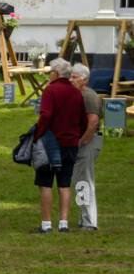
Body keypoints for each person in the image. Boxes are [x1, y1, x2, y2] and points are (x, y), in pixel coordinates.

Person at [32, 58, 88, 234]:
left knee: (46, 183)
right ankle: (63, 223)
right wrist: (76, 135)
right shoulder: (76, 93)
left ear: (55, 73)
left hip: (50, 144)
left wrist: (37, 134)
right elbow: (84, 121)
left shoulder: (51, 90)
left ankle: (46, 224)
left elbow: (46, 115)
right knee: (64, 184)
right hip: (70, 144)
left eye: (50, 71)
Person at [70, 63, 101, 230]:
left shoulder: (89, 96)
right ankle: (85, 219)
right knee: (79, 181)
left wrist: (81, 142)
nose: (71, 80)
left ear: (84, 79)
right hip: (83, 141)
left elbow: (93, 122)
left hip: (88, 142)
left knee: (84, 182)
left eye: (74, 77)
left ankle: (89, 222)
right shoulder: (77, 95)